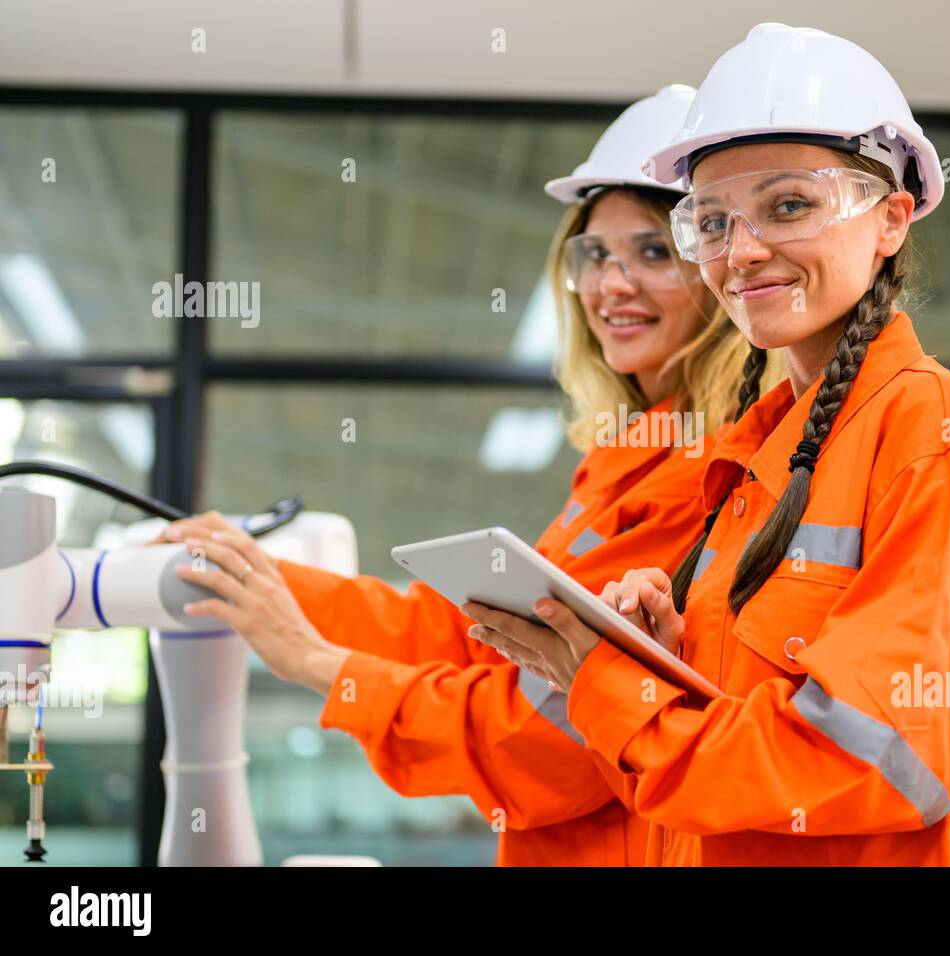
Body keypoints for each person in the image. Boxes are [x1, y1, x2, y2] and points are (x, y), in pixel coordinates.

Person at [461, 23, 950, 866]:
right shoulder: (755, 462)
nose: (743, 251)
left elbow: (877, 757)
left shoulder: (935, 435)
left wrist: (612, 691)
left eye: (789, 205)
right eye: (715, 221)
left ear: (890, 220)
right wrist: (664, 653)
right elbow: (750, 721)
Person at [161, 85, 781, 866]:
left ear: (717, 267)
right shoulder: (627, 458)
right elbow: (471, 636)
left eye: (655, 252)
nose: (612, 285)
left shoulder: (706, 470)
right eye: (594, 254)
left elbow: (546, 737)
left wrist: (316, 665)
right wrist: (261, 578)